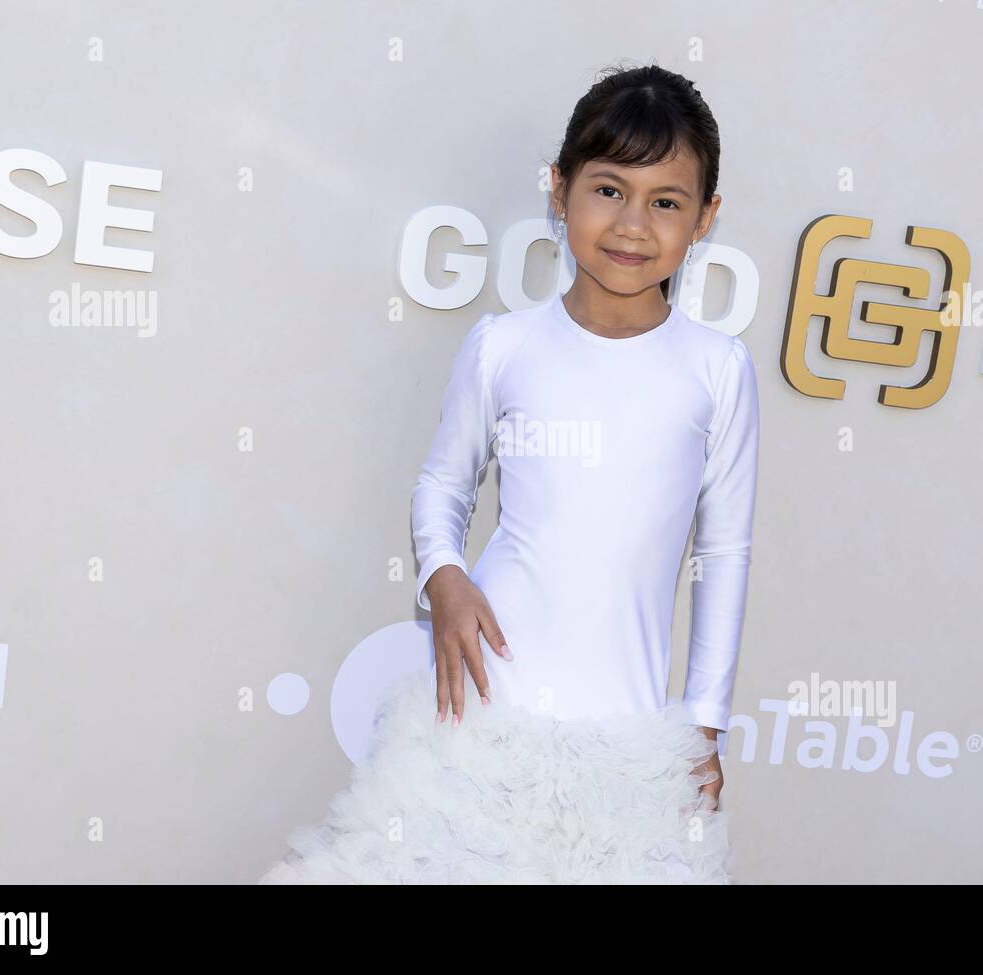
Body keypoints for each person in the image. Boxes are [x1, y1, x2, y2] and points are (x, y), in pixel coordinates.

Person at [261, 62, 759, 885]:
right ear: (559, 192)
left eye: (665, 201)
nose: (632, 224)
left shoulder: (717, 370)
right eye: (608, 189)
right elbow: (443, 484)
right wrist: (445, 576)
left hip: (629, 739)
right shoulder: (504, 346)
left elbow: (727, 554)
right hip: (481, 710)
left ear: (705, 218)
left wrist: (704, 723)